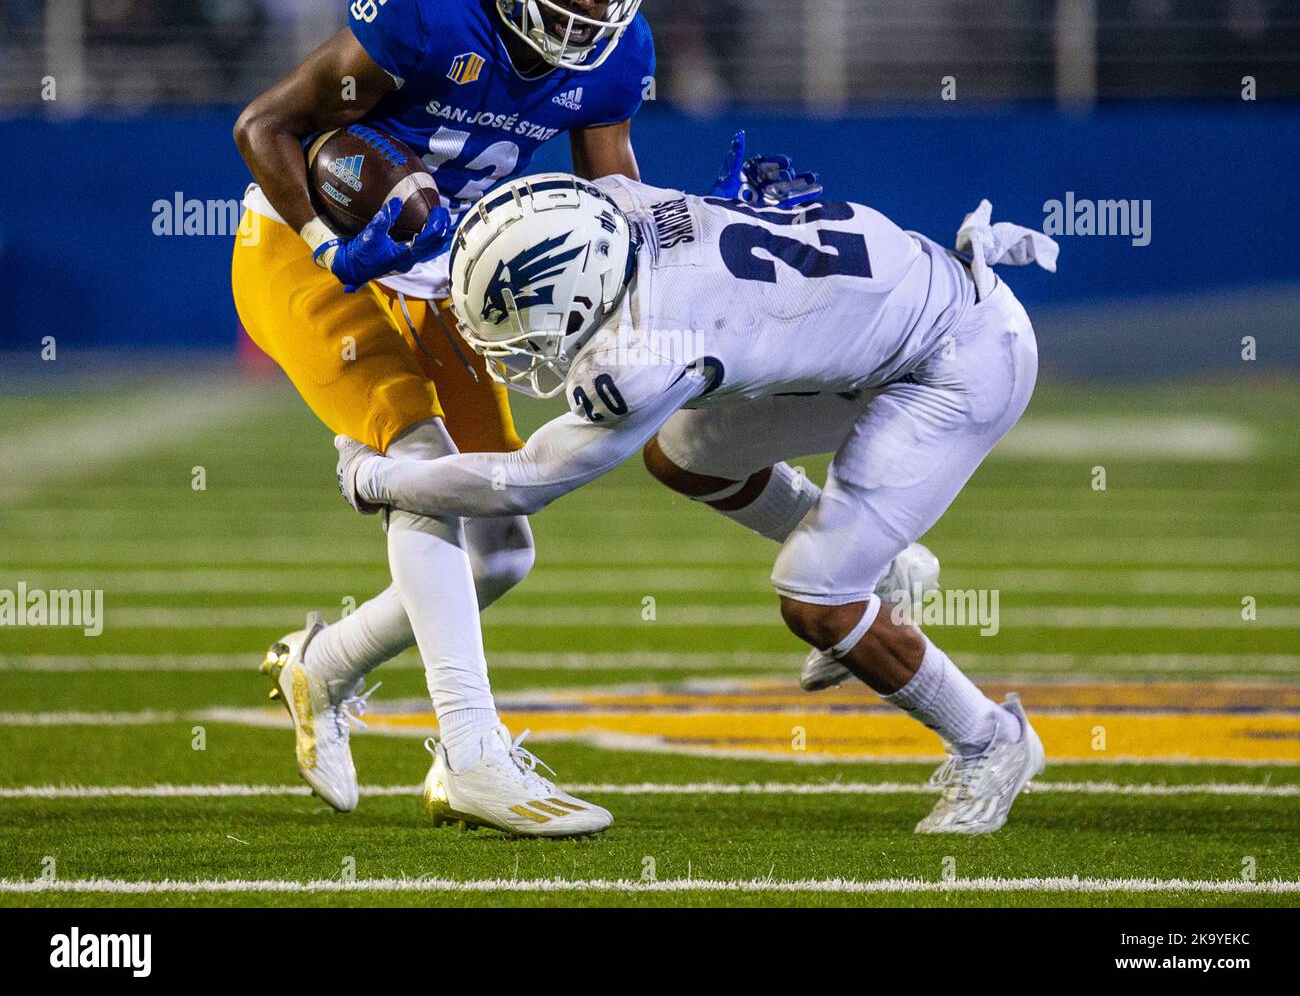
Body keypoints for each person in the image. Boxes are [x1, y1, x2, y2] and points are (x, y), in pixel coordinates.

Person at [336, 169, 1058, 833]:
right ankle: (886, 564)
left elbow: (518, 481)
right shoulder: (618, 201)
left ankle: (991, 740)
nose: (518, 348)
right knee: (682, 455)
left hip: (957, 358)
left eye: (527, 323)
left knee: (815, 596)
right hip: (885, 328)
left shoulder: (646, 354)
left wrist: (378, 480)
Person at [230, 0, 655, 837]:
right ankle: (471, 753)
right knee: (421, 461)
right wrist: (331, 240)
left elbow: (620, 203)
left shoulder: (612, 62)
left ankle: (319, 668)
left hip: (438, 273)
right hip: (306, 251)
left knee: (502, 544)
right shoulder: (424, 9)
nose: (592, 9)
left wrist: (700, 230)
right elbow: (265, 126)